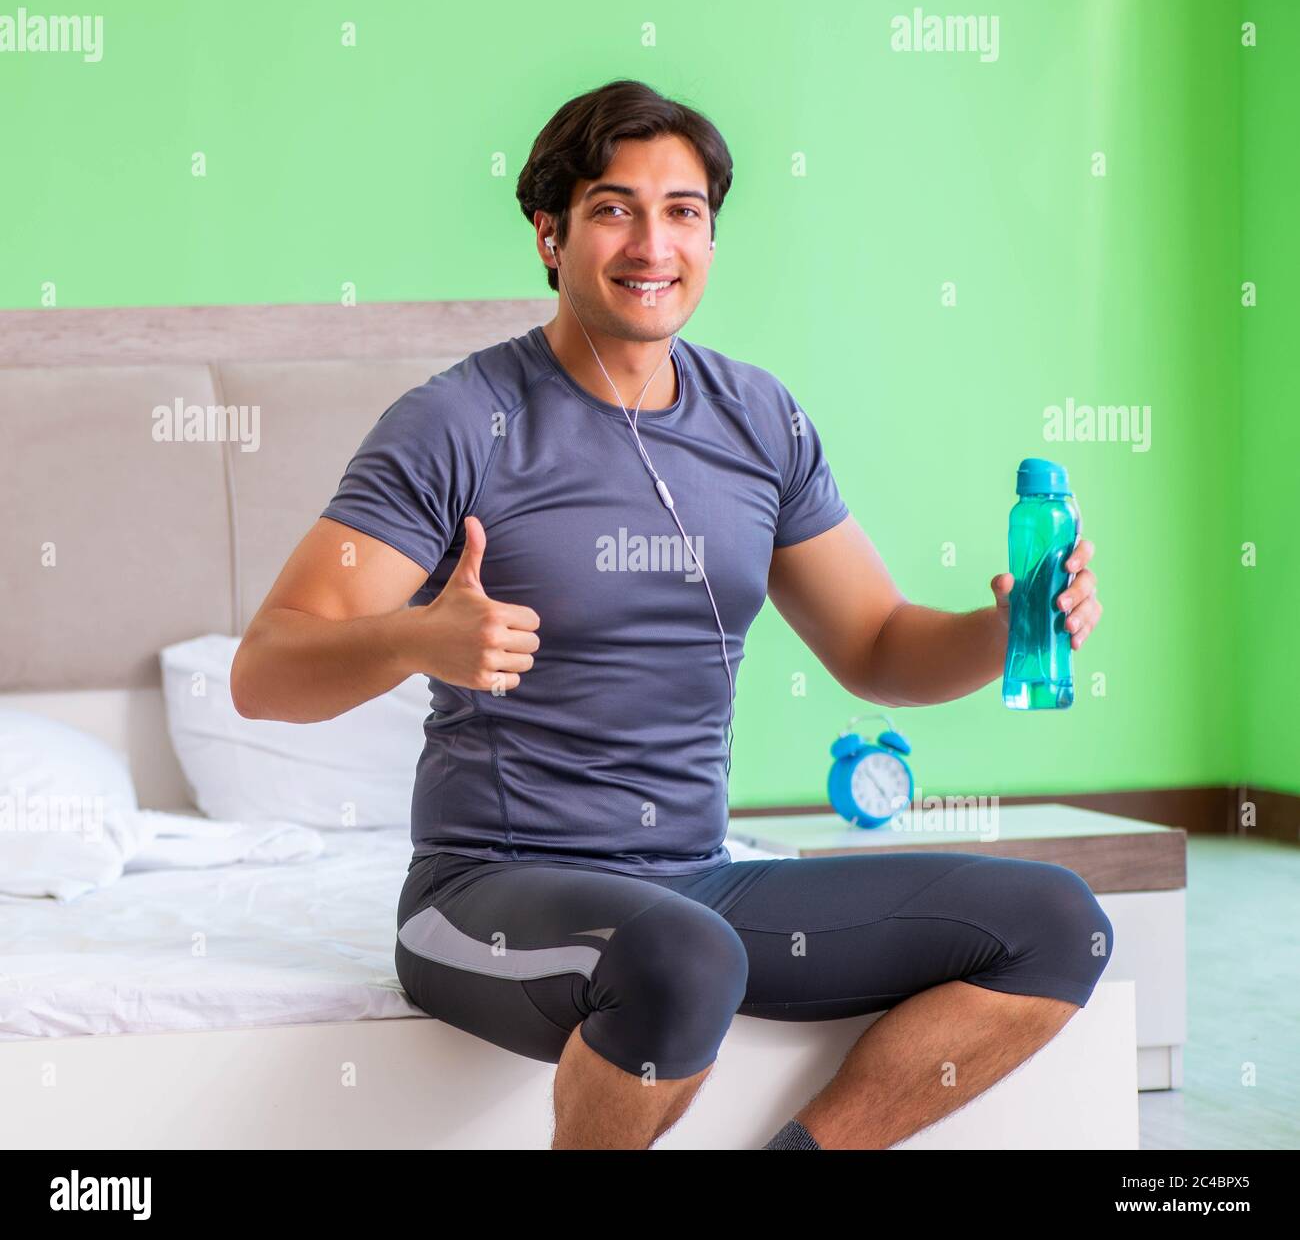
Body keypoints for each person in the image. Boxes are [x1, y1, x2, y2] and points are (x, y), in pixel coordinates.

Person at [230, 78, 1109, 1151]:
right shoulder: (456, 424)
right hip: (489, 889)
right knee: (685, 957)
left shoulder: (758, 420)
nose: (653, 243)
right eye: (612, 208)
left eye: (683, 211)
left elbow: (877, 646)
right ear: (549, 236)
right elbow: (265, 672)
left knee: (1057, 923)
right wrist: (421, 637)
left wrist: (1009, 627)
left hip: (697, 881)